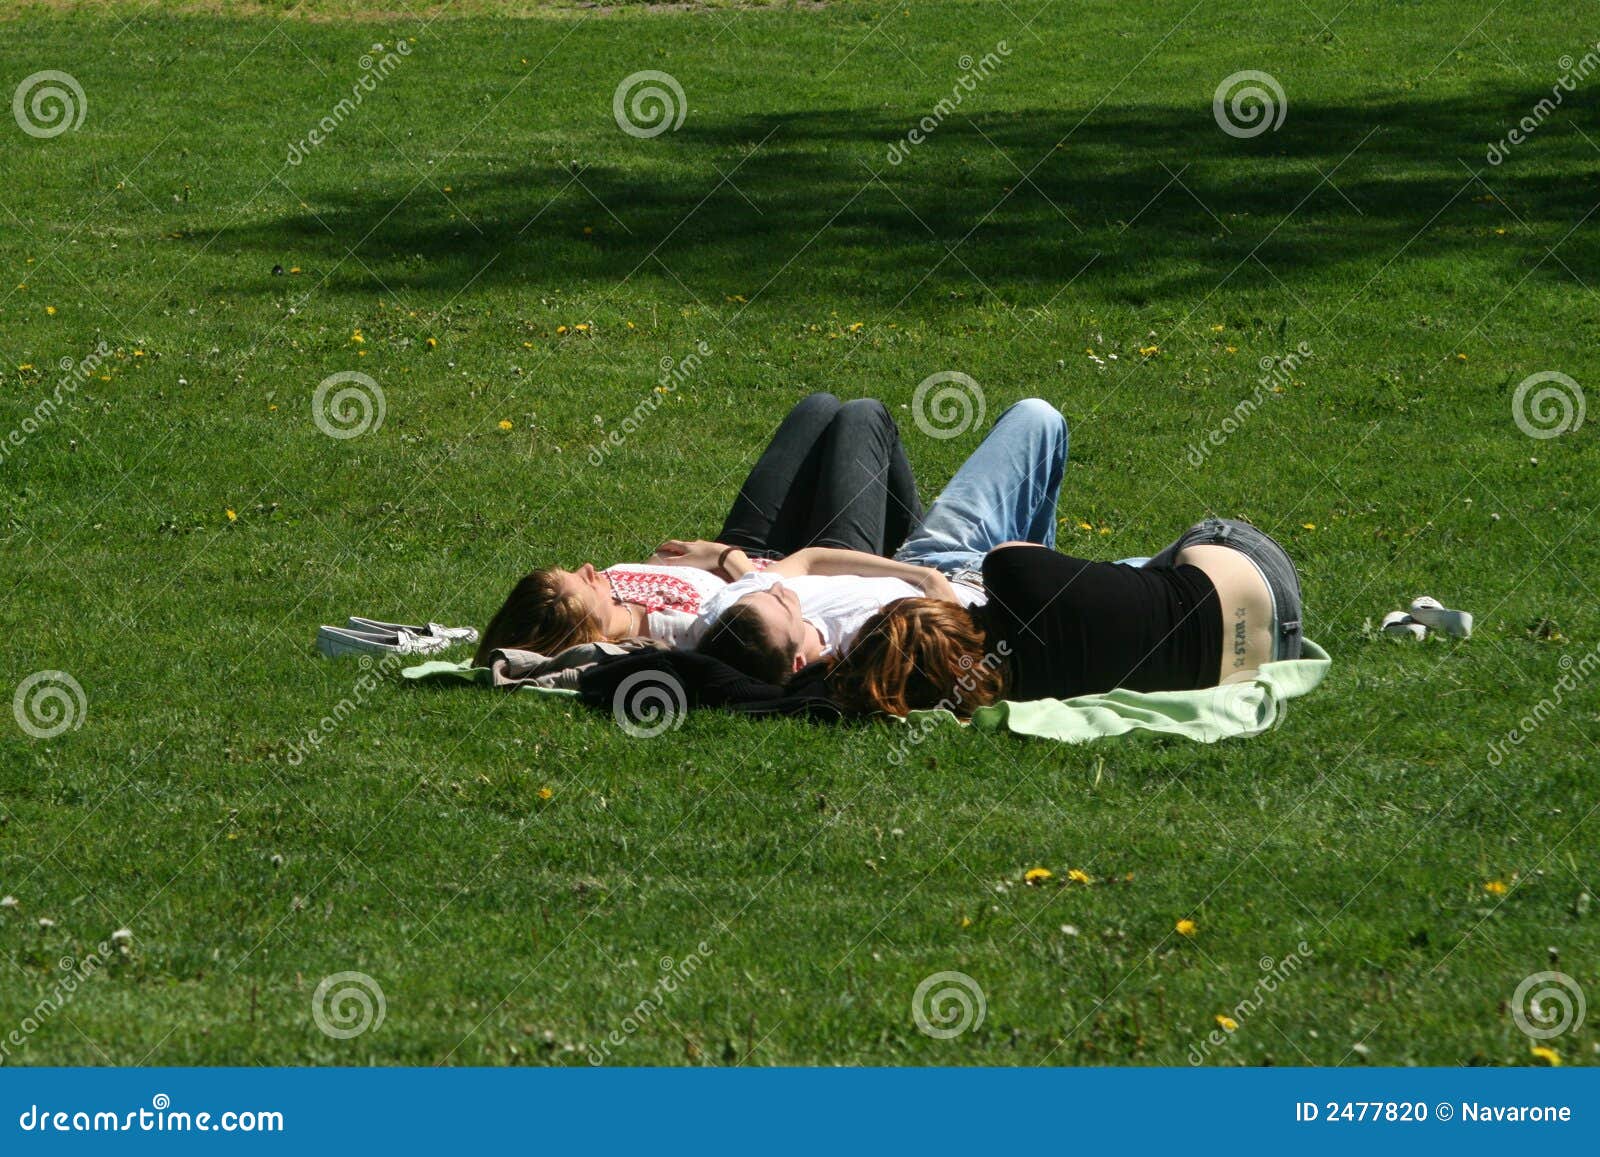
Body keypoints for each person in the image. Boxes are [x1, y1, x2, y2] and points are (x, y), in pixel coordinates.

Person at [474, 393, 921, 663]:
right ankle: (923, 555)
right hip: (814, 580)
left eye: (577, 570)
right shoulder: (669, 637)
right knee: (865, 417)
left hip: (743, 547)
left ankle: (919, 547)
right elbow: (759, 607)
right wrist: (723, 558)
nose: (591, 569)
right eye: (585, 584)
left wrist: (695, 556)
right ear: (587, 633)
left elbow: (655, 566)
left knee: (818, 407)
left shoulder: (608, 597)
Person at [684, 398, 1069, 682]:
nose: (780, 590)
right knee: (1039, 419)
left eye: (766, 593)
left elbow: (807, 560)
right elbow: (965, 652)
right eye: (782, 607)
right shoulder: (861, 655)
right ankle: (1039, 580)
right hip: (978, 589)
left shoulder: (746, 614)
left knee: (1036, 414)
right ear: (799, 661)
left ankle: (1038, 572)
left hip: (930, 556)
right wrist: (946, 593)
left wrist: (926, 577)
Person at [827, 518, 1304, 717]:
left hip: (1255, 666)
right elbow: (1035, 554)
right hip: (1256, 572)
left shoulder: (1023, 697)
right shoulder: (1009, 570)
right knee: (1138, 575)